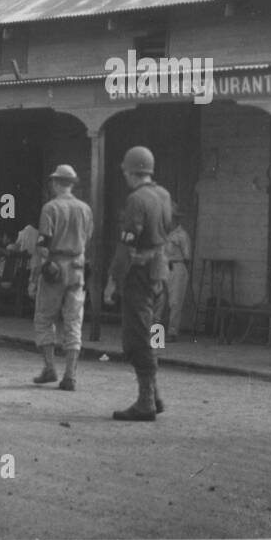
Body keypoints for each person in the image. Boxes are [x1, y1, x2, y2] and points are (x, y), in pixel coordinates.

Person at [104, 146, 173, 421]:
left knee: (137, 336)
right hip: (160, 270)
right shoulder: (163, 195)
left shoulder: (136, 200)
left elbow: (126, 246)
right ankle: (154, 396)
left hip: (139, 273)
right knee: (148, 330)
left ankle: (145, 402)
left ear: (131, 171)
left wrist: (112, 280)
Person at [30, 165, 94, 390]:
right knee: (73, 321)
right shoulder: (85, 209)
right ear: (72, 183)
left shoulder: (50, 208)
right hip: (77, 267)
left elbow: (43, 245)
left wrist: (38, 270)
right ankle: (70, 375)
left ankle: (49, 368)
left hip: (55, 268)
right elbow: (88, 238)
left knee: (44, 318)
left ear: (56, 183)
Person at [162, 208, 192, 340]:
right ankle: (157, 333)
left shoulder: (181, 235)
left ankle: (172, 332)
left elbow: (187, 256)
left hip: (176, 266)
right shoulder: (163, 233)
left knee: (174, 302)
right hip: (163, 267)